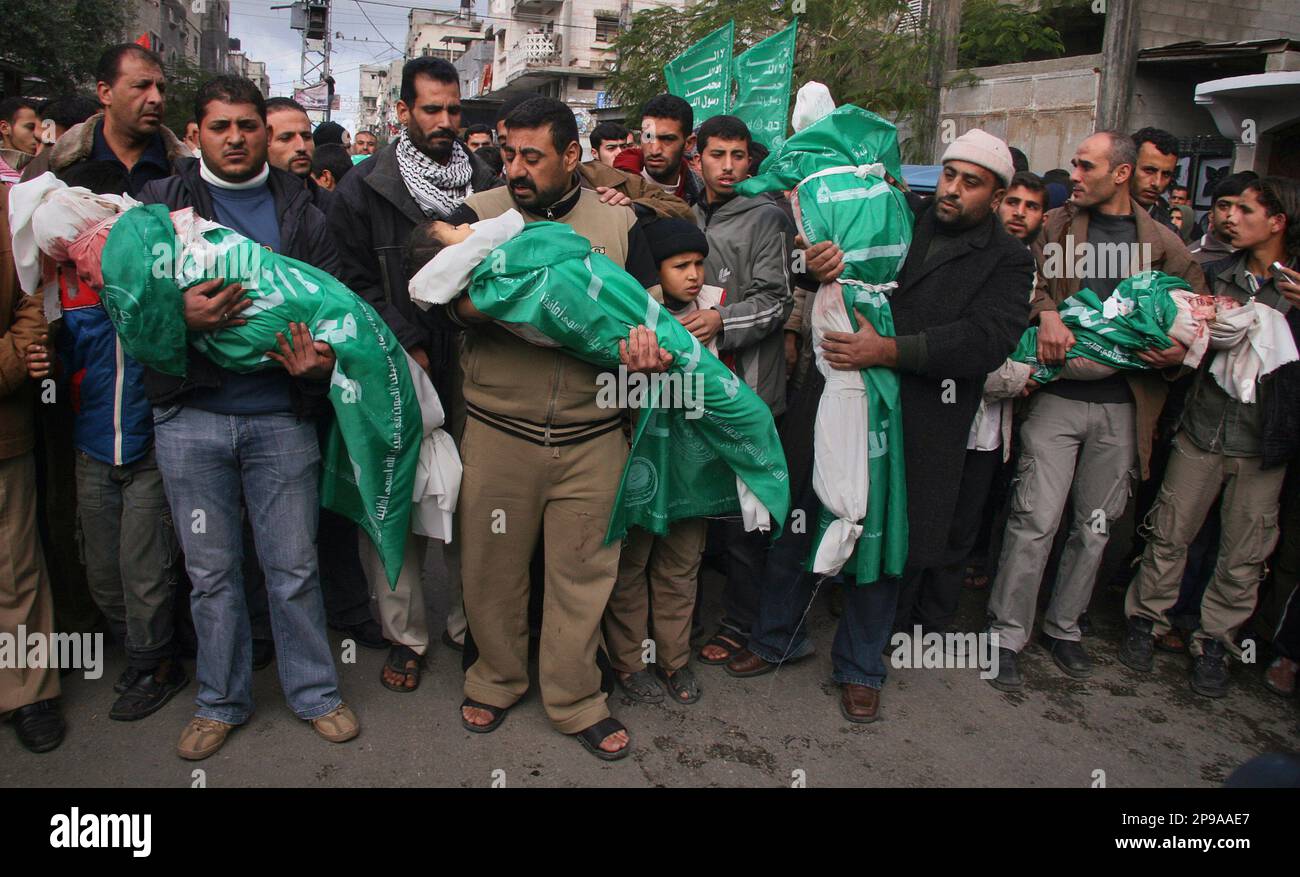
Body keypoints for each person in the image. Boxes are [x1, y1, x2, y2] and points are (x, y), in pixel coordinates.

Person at [435, 96, 665, 760]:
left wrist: (646, 350)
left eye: (531, 156)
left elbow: (648, 316)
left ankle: (574, 697)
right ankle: (496, 678)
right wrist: (488, 306)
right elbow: (439, 299)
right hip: (498, 432)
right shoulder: (477, 216)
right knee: (490, 569)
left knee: (584, 573)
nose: (515, 169)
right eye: (507, 154)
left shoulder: (620, 226)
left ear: (572, 156)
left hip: (593, 439)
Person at [137, 75, 358, 760]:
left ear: (266, 132)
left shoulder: (307, 212)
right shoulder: (160, 204)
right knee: (212, 572)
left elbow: (336, 312)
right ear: (195, 133)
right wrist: (179, 312)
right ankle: (220, 700)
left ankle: (315, 692)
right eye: (220, 125)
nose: (235, 137)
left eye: (247, 125)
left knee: (292, 566)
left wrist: (319, 364)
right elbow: (125, 305)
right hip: (191, 418)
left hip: (280, 419)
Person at [986, 130, 1207, 690]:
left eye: (1085, 166)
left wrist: (1181, 351)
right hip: (1056, 397)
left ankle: (1065, 628)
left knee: (1095, 527)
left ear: (1121, 173)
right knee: (1035, 518)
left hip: (1125, 407)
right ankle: (1006, 634)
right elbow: (1023, 280)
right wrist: (1046, 313)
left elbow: (1202, 316)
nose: (1074, 175)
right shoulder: (1057, 227)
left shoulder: (1163, 244)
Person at [21, 44, 190, 722]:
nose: (155, 98)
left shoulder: (182, 172)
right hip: (82, 402)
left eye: (161, 87)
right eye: (140, 85)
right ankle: (123, 645)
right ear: (102, 91)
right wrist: (40, 344)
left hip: (159, 404)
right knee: (95, 558)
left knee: (150, 559)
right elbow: (27, 280)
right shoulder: (54, 174)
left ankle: (157, 659)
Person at [329, 56, 501, 678]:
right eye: (432, 109)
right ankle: (405, 636)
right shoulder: (362, 187)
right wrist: (406, 341)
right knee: (395, 492)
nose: (446, 121)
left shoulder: (486, 183)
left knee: (472, 496)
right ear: (402, 112)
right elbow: (346, 281)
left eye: (454, 110)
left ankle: (468, 623)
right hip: (392, 363)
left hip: (475, 367)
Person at [1120, 176, 1300, 698]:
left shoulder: (1294, 291)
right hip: (1201, 431)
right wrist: (1183, 351)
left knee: (1244, 550)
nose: (1228, 218)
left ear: (1276, 222)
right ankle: (1145, 620)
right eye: (1223, 208)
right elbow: (1188, 340)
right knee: (1171, 530)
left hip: (1264, 445)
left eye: (1244, 210)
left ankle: (1216, 641)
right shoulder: (1215, 279)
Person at [893, 169, 1046, 633]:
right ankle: (886, 616)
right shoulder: (914, 223)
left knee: (952, 523)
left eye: (1031, 205)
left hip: (971, 416)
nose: (953, 189)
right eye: (949, 176)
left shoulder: (1014, 262)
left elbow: (987, 339)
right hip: (910, 403)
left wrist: (896, 349)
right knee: (899, 516)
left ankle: (929, 620)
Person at [685, 115, 795, 668]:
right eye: (716, 155)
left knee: (748, 520)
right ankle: (688, 619)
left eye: (738, 156)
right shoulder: (687, 212)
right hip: (694, 389)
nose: (728, 166)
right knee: (699, 512)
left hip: (748, 389)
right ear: (696, 156)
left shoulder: (768, 217)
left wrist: (721, 321)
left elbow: (778, 301)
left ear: (751, 160)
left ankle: (742, 625)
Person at [603, 218, 721, 706]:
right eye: (681, 266)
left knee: (680, 564)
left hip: (694, 468)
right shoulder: (631, 317)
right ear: (656, 270)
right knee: (631, 565)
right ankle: (630, 663)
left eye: (699, 264)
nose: (693, 275)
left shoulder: (714, 311)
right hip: (642, 463)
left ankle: (674, 660)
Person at [0, 177, 64, 753]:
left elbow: (31, 300)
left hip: (5, 428)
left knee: (14, 566)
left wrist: (12, 358)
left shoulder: (9, 210)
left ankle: (26, 691)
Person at [613, 94, 705, 206]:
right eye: (648, 137)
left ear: (689, 143)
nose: (654, 150)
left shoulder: (702, 197)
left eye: (667, 139)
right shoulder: (614, 188)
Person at [265, 97, 330, 210]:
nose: (301, 147)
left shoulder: (333, 205)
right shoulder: (244, 208)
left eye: (307, 137)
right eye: (286, 138)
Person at [1190, 172, 1258, 266]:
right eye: (1224, 206)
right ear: (1211, 214)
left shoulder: (1263, 257)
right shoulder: (1190, 257)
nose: (1231, 214)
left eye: (1242, 208)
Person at [1130, 127, 1179, 231]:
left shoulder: (1168, 233)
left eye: (1166, 174)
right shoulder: (1093, 216)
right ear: (1128, 167)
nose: (1157, 183)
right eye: (1149, 170)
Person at [0, 97, 41, 183]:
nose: (38, 134)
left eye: (42, 129)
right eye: (31, 127)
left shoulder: (52, 166)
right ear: (4, 128)